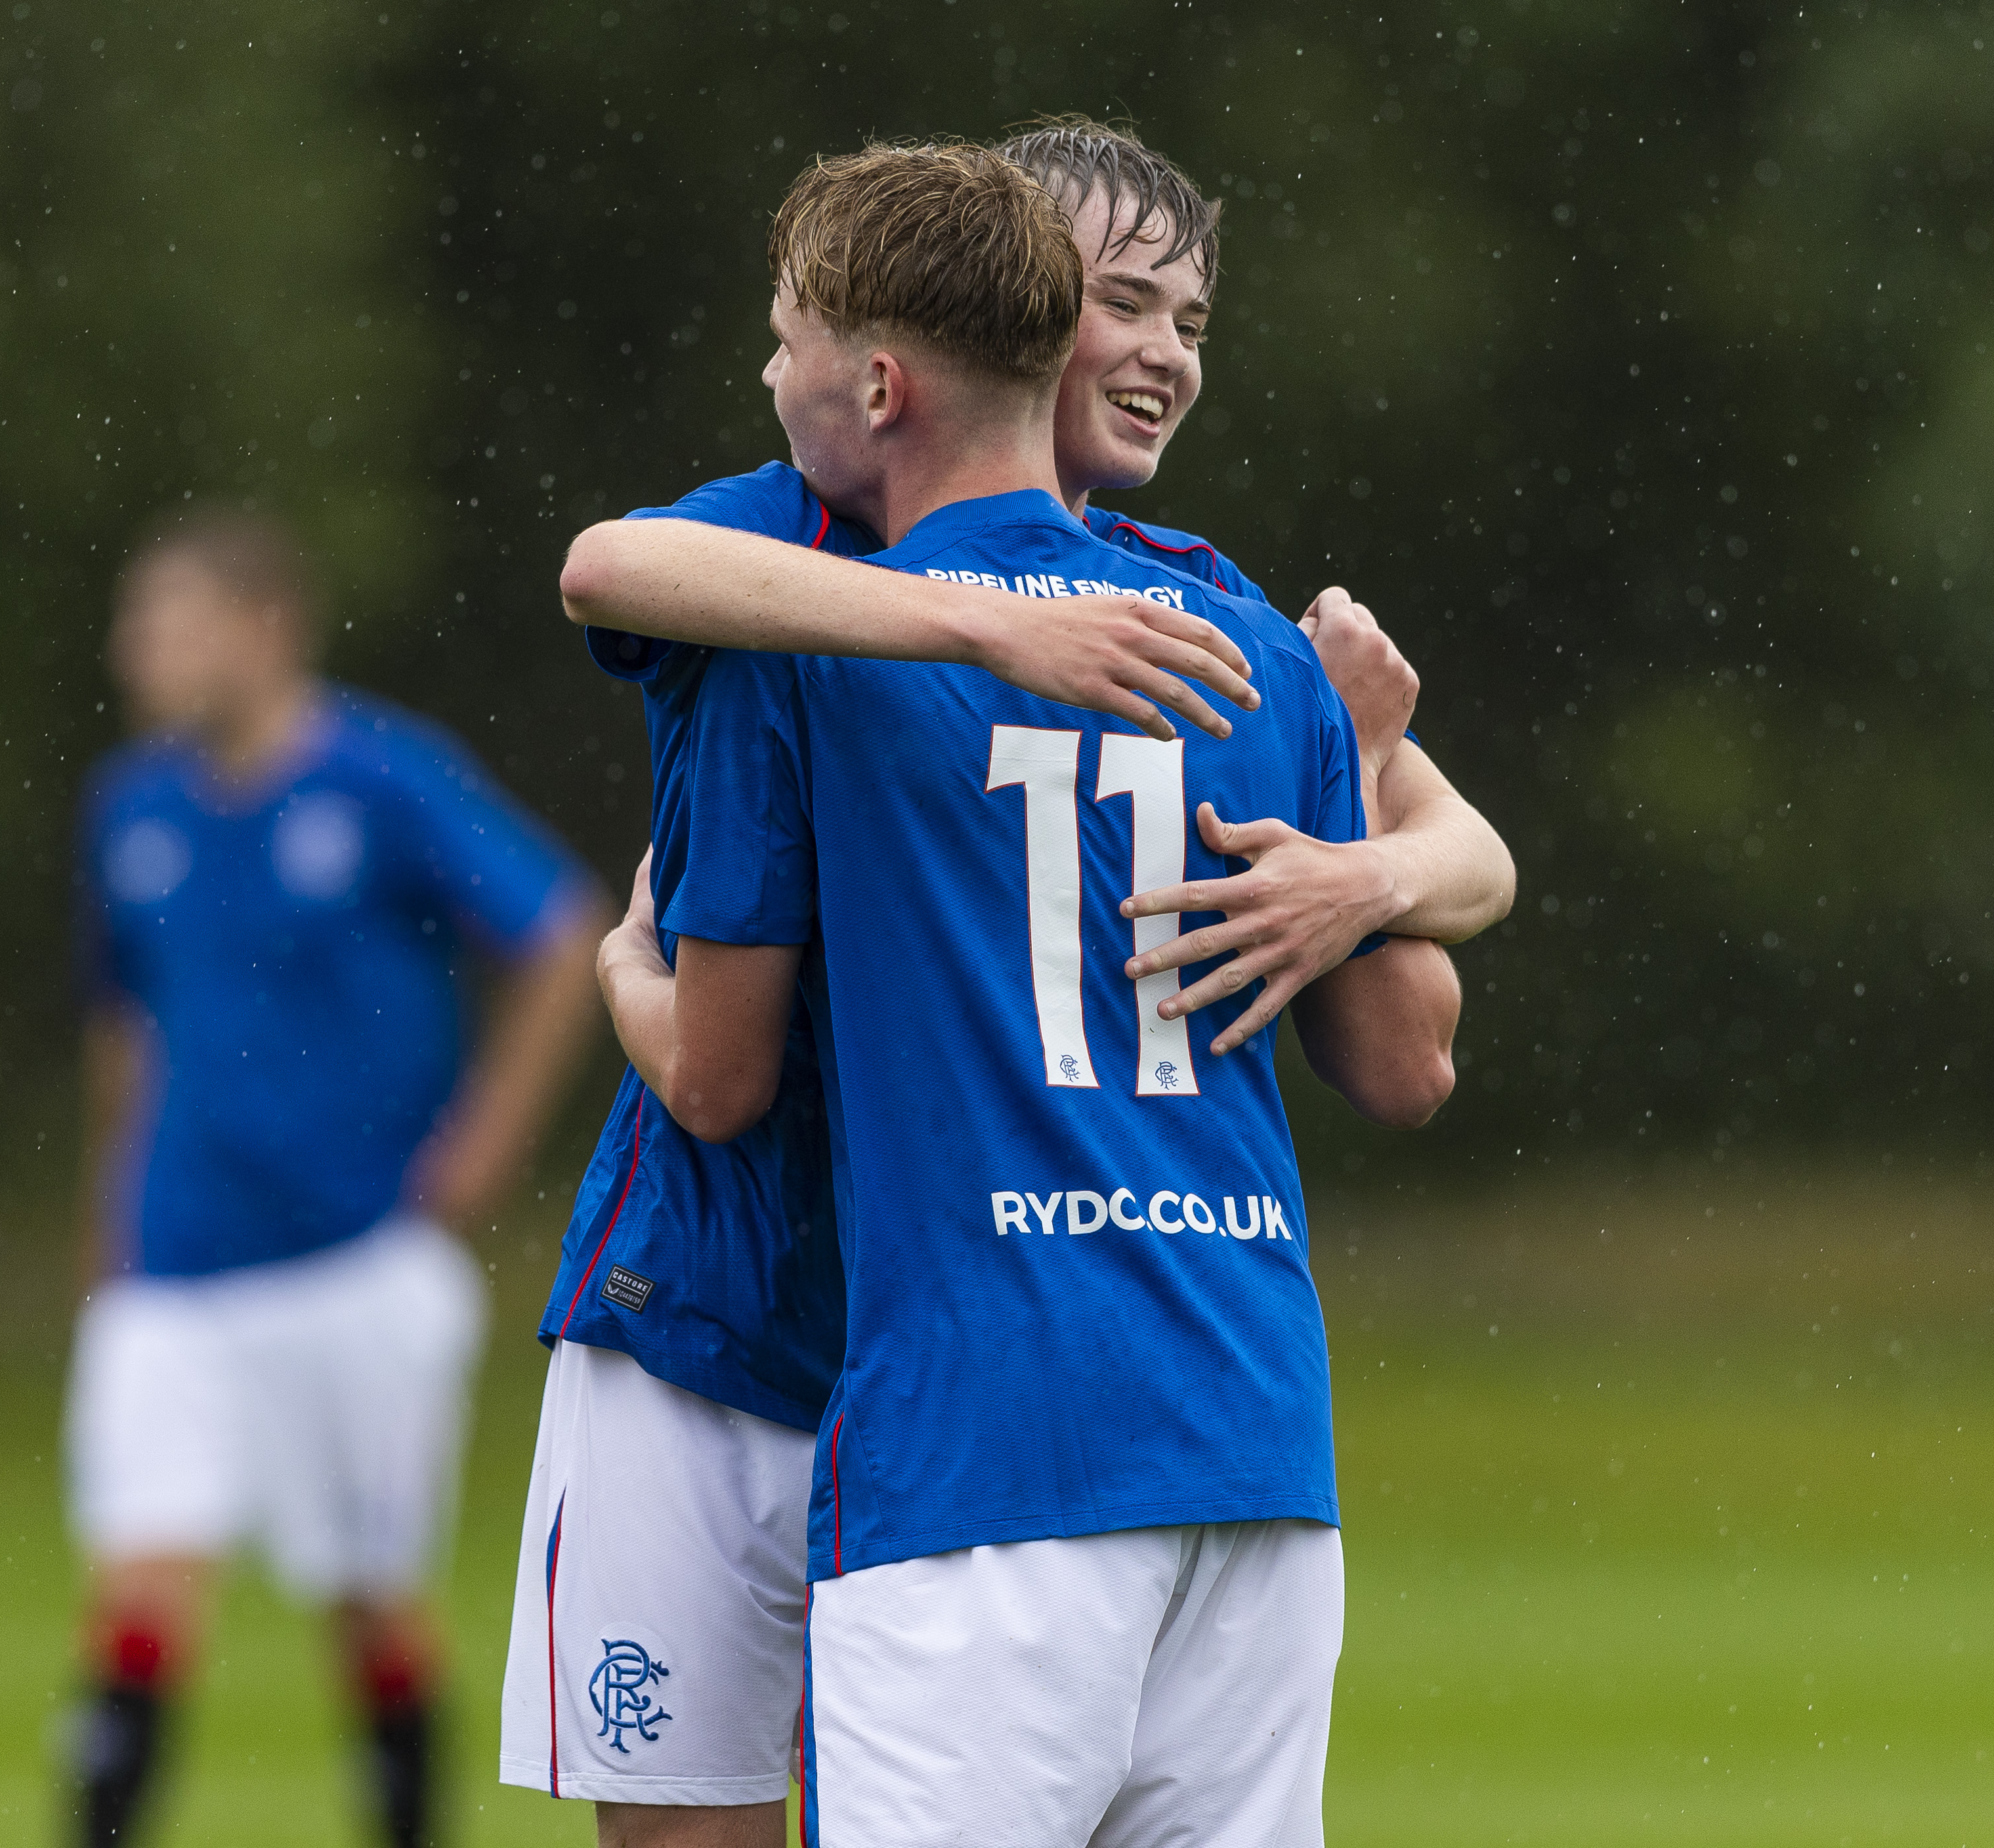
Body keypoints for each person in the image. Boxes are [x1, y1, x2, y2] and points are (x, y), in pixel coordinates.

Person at [502, 125, 1510, 1848]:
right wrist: (982, 623)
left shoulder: (1210, 621)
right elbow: (606, 564)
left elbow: (1450, 903)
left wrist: (1363, 866)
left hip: (979, 1378)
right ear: (1003, 299)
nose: (1160, 348)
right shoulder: (791, 568)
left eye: (1190, 316)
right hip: (742, 1321)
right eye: (1122, 298)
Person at [64, 505, 609, 1847]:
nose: (138, 650)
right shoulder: (130, 807)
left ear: (263, 627)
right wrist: (109, 1203)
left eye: (169, 621)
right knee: (139, 1589)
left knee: (371, 1602)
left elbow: (559, 931)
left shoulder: (381, 780)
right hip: (178, 1264)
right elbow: (127, 1025)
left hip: (354, 1258)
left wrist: (486, 1141)